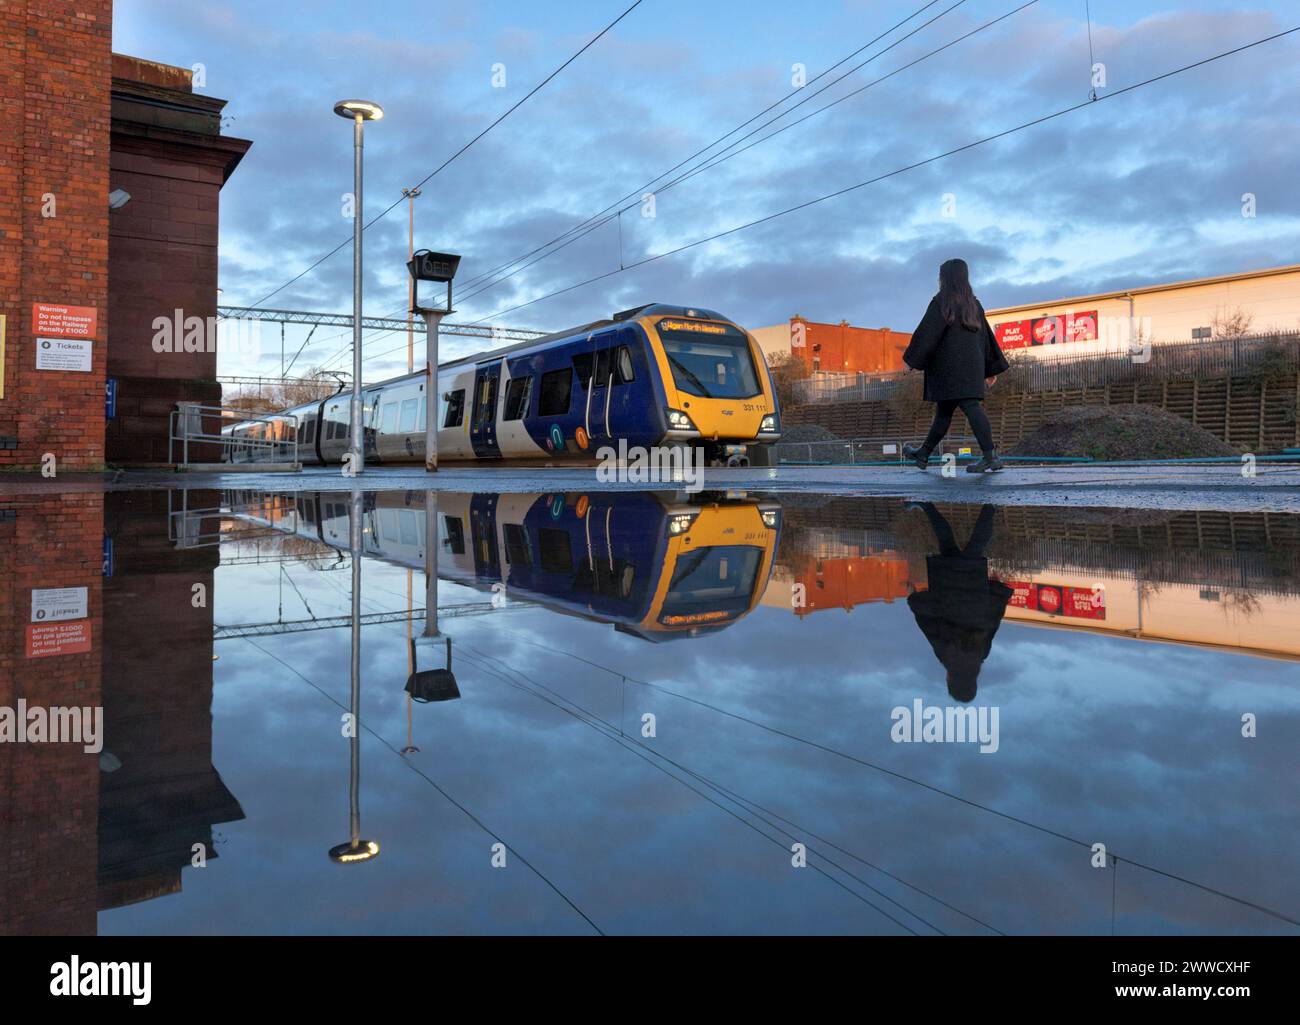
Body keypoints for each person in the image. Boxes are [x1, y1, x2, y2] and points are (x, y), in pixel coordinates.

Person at [901, 258, 1010, 473]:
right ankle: (923, 454)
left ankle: (990, 457)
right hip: (971, 368)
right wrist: (990, 369)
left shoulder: (943, 301)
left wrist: (911, 361)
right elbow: (986, 338)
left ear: (945, 278)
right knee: (944, 412)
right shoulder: (973, 303)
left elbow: (927, 332)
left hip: (949, 369)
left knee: (970, 407)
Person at [905, 503, 1012, 703]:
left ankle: (990, 509)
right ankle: (927, 506)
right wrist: (914, 597)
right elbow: (927, 621)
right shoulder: (946, 656)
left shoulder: (981, 654)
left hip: (974, 590)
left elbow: (993, 619)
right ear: (950, 680)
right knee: (946, 542)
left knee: (976, 546)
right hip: (947, 586)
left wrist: (998, 590)